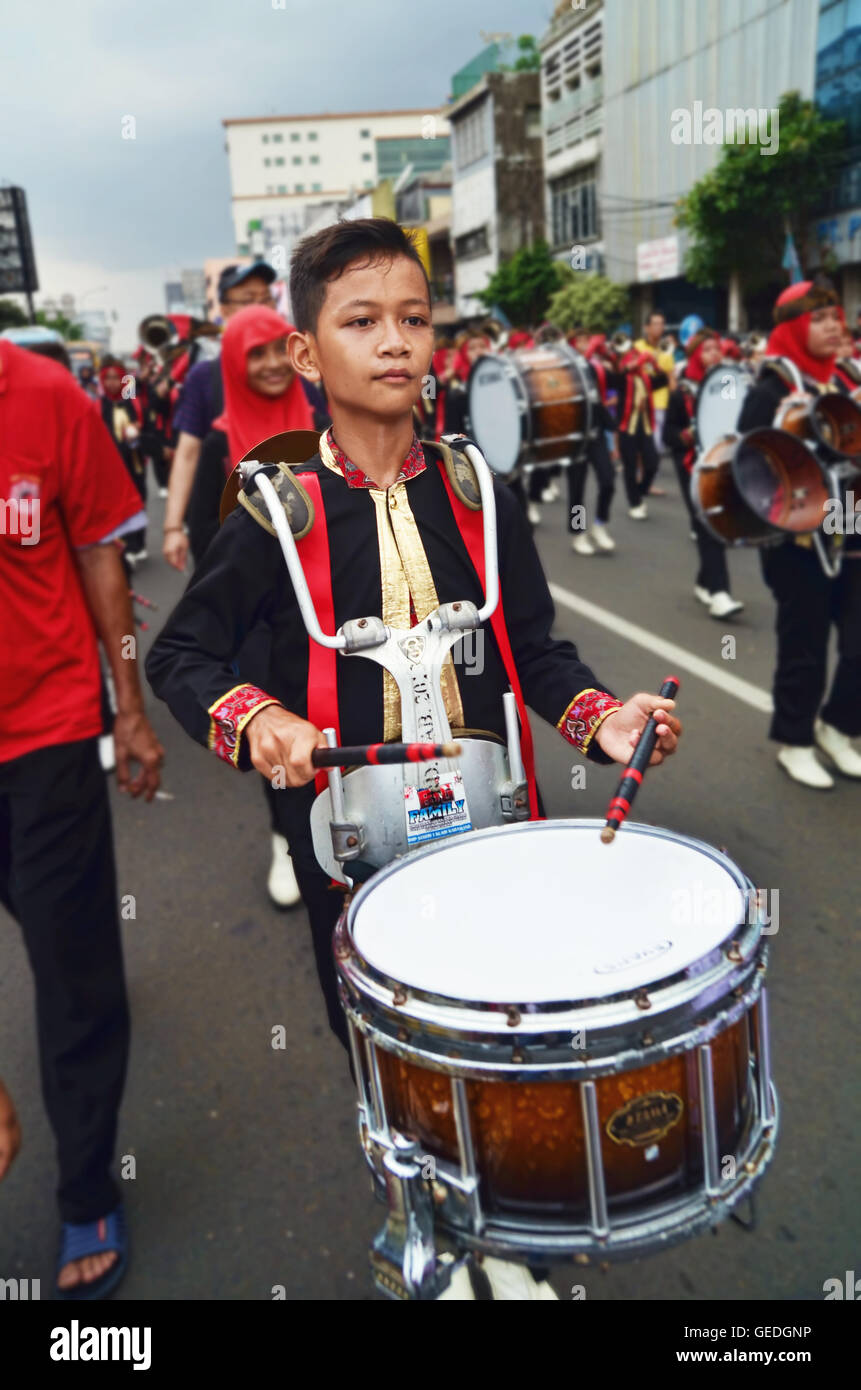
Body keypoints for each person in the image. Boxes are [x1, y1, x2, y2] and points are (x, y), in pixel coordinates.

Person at [144, 217, 682, 1298]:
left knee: (501, 1042)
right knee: (391, 1070)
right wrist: (260, 722)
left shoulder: (476, 490)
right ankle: (428, 1223)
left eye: (413, 318)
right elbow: (183, 654)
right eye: (360, 321)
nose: (395, 341)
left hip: (495, 837)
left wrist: (598, 719)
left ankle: (506, 1226)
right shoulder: (276, 506)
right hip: (353, 862)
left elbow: (535, 646)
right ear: (307, 354)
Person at [0, 338, 164, 1298]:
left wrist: (128, 705)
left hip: (48, 730)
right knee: (44, 915)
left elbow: (103, 553)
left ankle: (86, 1189)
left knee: (72, 972)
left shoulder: (48, 395)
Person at [736, 279, 861, 788]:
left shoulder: (847, 377)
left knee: (858, 644)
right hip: (798, 539)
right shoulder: (771, 388)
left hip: (851, 525)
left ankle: (838, 726)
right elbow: (747, 461)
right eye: (822, 318)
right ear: (793, 328)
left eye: (837, 316)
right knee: (804, 644)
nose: (837, 326)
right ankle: (796, 740)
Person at [162, 262, 280, 572]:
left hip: (296, 527)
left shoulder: (297, 370)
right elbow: (188, 453)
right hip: (230, 533)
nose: (259, 307)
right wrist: (174, 526)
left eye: (266, 298)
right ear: (225, 310)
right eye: (248, 298)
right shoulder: (204, 377)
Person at [664, 329, 744, 620]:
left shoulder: (727, 384)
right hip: (691, 465)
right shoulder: (681, 392)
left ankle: (704, 582)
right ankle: (720, 594)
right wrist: (684, 435)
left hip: (721, 462)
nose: (714, 354)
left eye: (717, 349)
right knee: (708, 522)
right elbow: (668, 434)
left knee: (713, 524)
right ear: (696, 355)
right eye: (707, 350)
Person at [565, 327, 618, 554]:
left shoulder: (590, 368)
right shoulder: (563, 370)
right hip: (574, 438)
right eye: (580, 341)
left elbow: (597, 401)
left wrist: (614, 430)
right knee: (577, 490)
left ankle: (599, 524)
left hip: (595, 434)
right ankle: (578, 533)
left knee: (608, 481)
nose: (585, 345)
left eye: (587, 341)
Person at [611, 340, 669, 520]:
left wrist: (653, 363)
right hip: (628, 428)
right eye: (632, 357)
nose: (637, 360)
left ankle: (641, 491)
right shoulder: (622, 379)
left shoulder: (647, 378)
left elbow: (664, 379)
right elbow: (616, 377)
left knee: (652, 463)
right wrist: (631, 365)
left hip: (645, 427)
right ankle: (634, 503)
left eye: (637, 357)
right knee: (629, 467)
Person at [98, 358, 148, 564]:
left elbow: (141, 420)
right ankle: (125, 544)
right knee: (117, 503)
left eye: (115, 377)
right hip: (111, 464)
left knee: (138, 499)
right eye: (107, 378)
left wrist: (136, 428)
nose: (111, 382)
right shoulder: (98, 404)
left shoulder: (130, 399)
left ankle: (139, 543)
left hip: (134, 460)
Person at [635, 311, 676, 464]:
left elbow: (671, 375)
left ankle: (649, 476)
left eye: (662, 324)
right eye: (656, 324)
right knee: (641, 440)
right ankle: (643, 474)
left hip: (661, 401)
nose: (660, 327)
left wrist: (674, 397)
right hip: (641, 399)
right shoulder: (637, 347)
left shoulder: (667, 348)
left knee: (657, 443)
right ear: (646, 327)